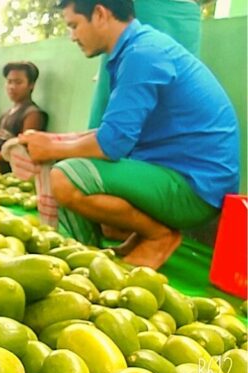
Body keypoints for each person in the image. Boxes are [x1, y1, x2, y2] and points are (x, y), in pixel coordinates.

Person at [18, 0, 239, 269]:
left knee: (65, 178)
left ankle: (158, 236)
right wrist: (52, 141)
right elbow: (113, 131)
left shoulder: (142, 54)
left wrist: (52, 149)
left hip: (196, 187)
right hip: (177, 176)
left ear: (100, 14)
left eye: (74, 25)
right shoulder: (134, 50)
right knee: (79, 174)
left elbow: (112, 144)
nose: (72, 36)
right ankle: (94, 251)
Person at [0, 61, 47, 173]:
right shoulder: (7, 113)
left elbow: (23, 152)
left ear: (31, 85)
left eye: (18, 83)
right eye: (9, 82)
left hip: (8, 167)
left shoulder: (33, 114)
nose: (12, 87)